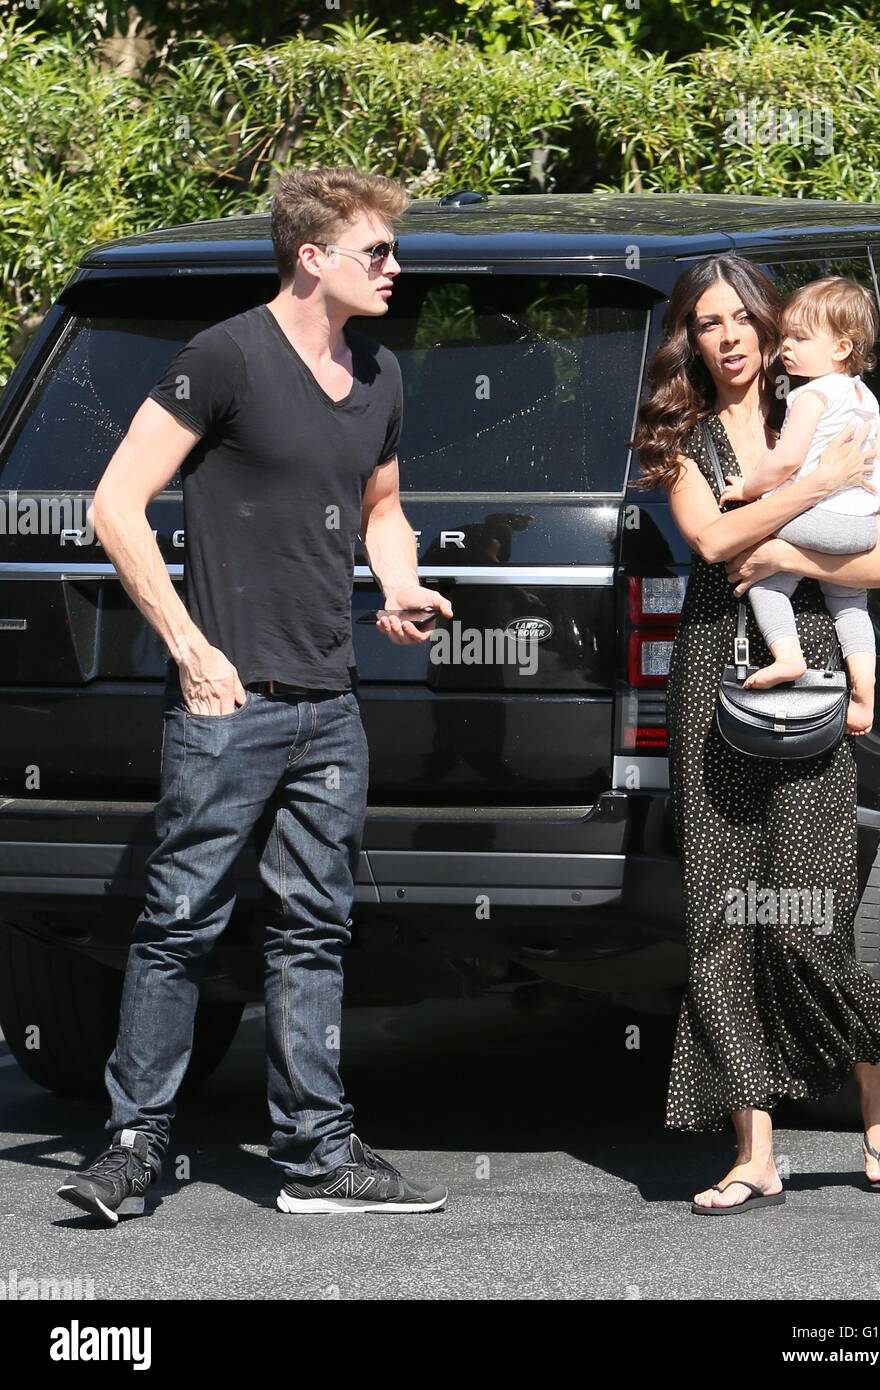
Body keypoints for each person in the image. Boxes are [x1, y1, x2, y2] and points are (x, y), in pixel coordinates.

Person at [56, 166, 453, 1225]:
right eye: (376, 252)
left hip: (331, 703)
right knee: (179, 921)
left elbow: (381, 508)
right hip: (230, 702)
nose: (394, 269)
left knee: (313, 932)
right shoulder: (225, 356)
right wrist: (192, 647)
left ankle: (318, 1158)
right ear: (311, 255)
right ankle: (132, 1147)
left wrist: (401, 579)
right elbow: (115, 505)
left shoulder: (379, 376)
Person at [630, 253, 880, 1213]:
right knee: (719, 923)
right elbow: (713, 545)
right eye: (706, 323)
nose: (726, 338)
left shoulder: (822, 406)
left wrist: (808, 515)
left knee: (803, 915)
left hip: (805, 677)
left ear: (770, 329)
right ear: (691, 337)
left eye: (740, 321)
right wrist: (817, 488)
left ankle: (878, 1076)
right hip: (711, 673)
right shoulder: (675, 436)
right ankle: (753, 1152)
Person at [718, 276, 880, 738]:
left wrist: (749, 488)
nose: (785, 349)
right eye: (785, 336)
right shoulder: (863, 396)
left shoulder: (809, 395)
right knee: (851, 603)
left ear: (841, 347)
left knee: (765, 578)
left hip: (825, 518)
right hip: (864, 524)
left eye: (799, 338)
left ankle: (787, 655)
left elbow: (788, 459)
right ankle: (864, 693)